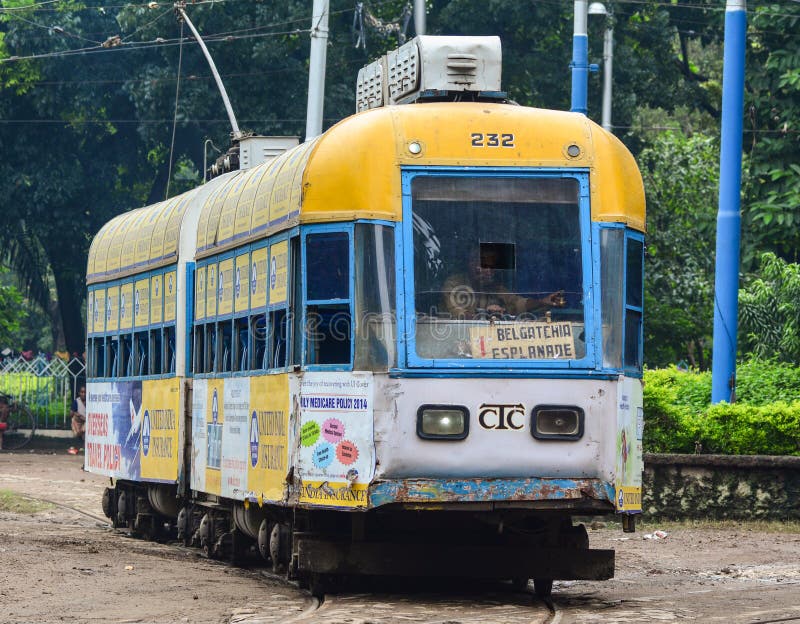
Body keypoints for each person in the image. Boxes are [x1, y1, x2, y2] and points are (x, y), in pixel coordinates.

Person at [440, 246, 565, 319]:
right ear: (472, 264)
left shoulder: (495, 288)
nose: (490, 271)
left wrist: (542, 301)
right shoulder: (454, 283)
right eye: (485, 266)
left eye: (492, 267)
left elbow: (517, 303)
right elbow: (459, 314)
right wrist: (485, 315)